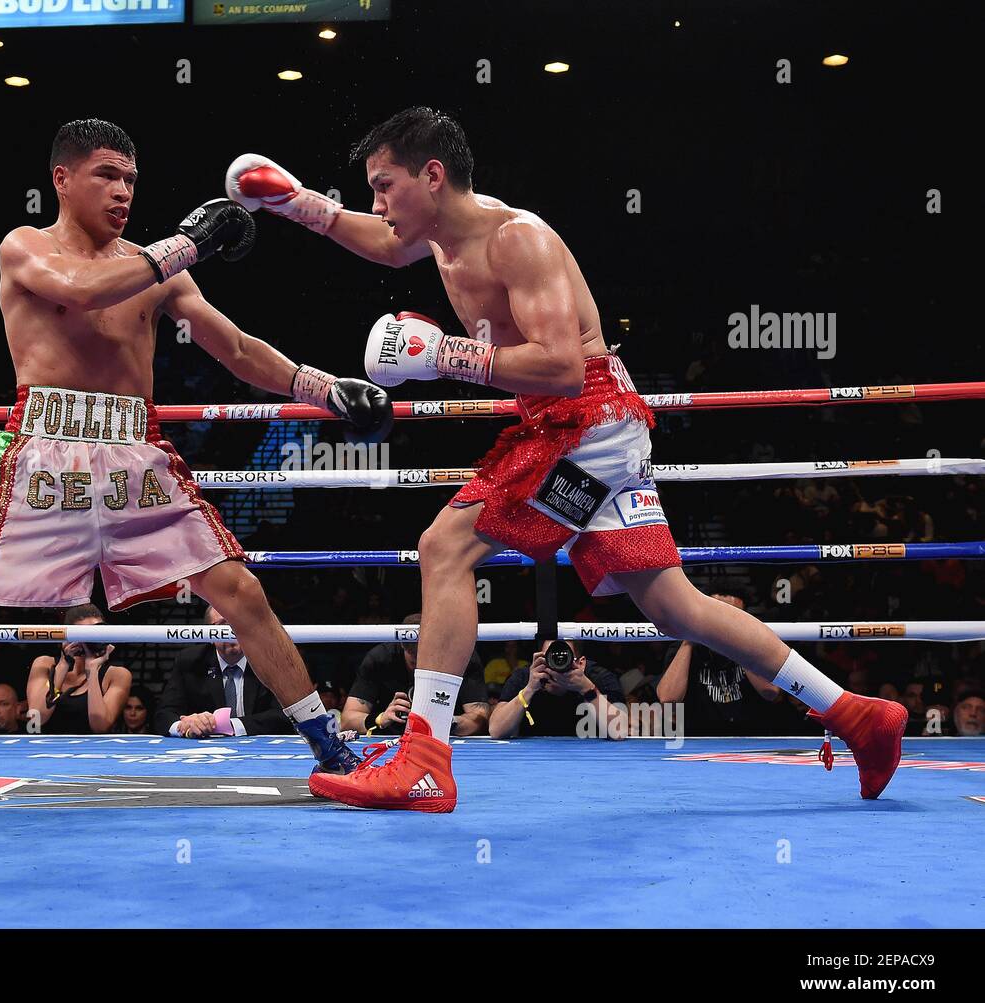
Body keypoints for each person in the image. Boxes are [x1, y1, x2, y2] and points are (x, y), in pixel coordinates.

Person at [230, 107, 906, 810]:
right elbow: (384, 243)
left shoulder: (517, 240)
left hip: (586, 426)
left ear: (432, 177)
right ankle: (857, 715)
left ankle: (424, 761)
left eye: (384, 186)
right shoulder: (437, 238)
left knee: (445, 547)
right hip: (589, 430)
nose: (376, 205)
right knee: (675, 608)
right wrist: (298, 205)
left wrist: (444, 355)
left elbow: (560, 368)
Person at [0, 117, 387, 800]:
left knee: (239, 591)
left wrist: (322, 388)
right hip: (44, 455)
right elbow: (83, 290)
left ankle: (331, 749)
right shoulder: (25, 246)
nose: (124, 190)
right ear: (62, 179)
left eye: (131, 179)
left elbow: (238, 349)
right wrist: (190, 242)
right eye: (107, 175)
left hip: (135, 454)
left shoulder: (158, 268)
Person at [341, 613, 489, 737]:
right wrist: (380, 718)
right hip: (391, 741)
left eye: (428, 662)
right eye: (414, 662)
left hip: (445, 740)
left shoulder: (462, 658)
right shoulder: (381, 658)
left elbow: (480, 719)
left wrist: (447, 722)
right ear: (402, 646)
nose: (421, 668)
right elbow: (347, 720)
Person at [154, 605, 292, 736]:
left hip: (260, 746)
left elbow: (285, 715)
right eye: (223, 625)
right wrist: (185, 725)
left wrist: (228, 726)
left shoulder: (271, 660)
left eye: (237, 622)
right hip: (206, 748)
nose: (231, 632)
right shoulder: (190, 661)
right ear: (208, 635)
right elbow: (164, 714)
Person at [655, 594, 782, 736]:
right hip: (700, 740)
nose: (721, 622)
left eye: (729, 615)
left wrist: (741, 640)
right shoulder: (684, 648)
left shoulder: (756, 645)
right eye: (715, 614)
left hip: (751, 738)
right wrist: (689, 639)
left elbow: (770, 692)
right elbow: (668, 700)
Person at [487, 640, 626, 739]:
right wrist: (529, 689)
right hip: (534, 760)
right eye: (550, 658)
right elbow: (496, 730)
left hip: (589, 759)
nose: (556, 666)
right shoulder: (526, 677)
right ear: (539, 659)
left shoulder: (599, 678)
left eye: (565, 658)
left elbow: (620, 731)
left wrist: (587, 689)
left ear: (581, 663)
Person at [26, 604, 131, 734]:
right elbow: (36, 719)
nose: (90, 640)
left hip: (91, 746)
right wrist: (63, 664)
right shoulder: (44, 665)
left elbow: (100, 727)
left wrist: (92, 671)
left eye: (95, 634)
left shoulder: (117, 675)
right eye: (84, 635)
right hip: (47, 745)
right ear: (70, 638)